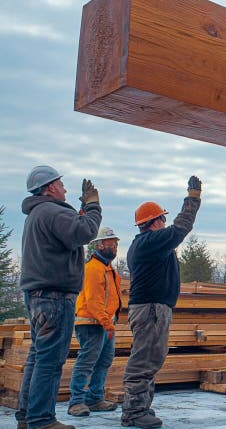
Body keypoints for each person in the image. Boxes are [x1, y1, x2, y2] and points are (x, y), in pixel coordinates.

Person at [16, 165, 102, 429]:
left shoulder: (37, 214)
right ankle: (41, 420)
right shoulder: (52, 211)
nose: (65, 188)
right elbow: (84, 233)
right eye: (62, 184)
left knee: (38, 356)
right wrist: (93, 207)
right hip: (54, 297)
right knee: (50, 361)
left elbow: (71, 232)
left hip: (39, 295)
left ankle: (27, 416)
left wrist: (81, 212)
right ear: (50, 187)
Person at [121, 176, 202, 429]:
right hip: (151, 309)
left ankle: (141, 408)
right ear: (154, 223)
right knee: (144, 360)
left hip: (153, 308)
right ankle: (134, 412)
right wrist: (193, 199)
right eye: (163, 219)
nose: (165, 223)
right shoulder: (149, 243)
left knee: (151, 358)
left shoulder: (149, 245)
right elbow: (180, 228)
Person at [68, 227, 123, 417]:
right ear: (99, 245)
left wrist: (110, 322)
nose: (114, 247)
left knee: (103, 361)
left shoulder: (108, 269)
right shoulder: (92, 269)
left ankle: (94, 398)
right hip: (91, 323)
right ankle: (76, 402)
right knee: (86, 362)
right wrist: (107, 323)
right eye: (111, 243)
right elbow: (93, 301)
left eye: (116, 244)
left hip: (104, 323)